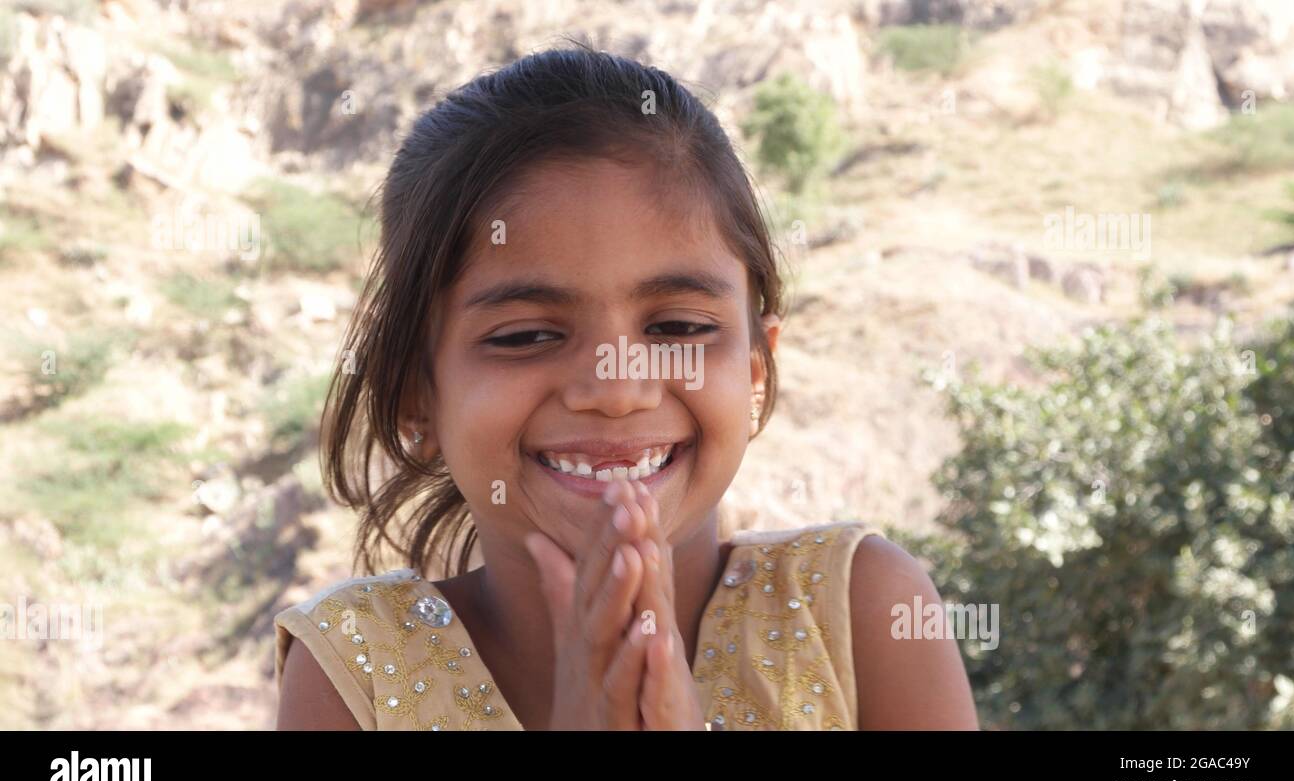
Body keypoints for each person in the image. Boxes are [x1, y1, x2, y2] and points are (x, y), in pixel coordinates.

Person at [274, 45, 977, 731]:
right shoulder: (356, 672)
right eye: (525, 335)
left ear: (756, 368)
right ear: (413, 395)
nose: (616, 388)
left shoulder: (857, 613)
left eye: (676, 326)